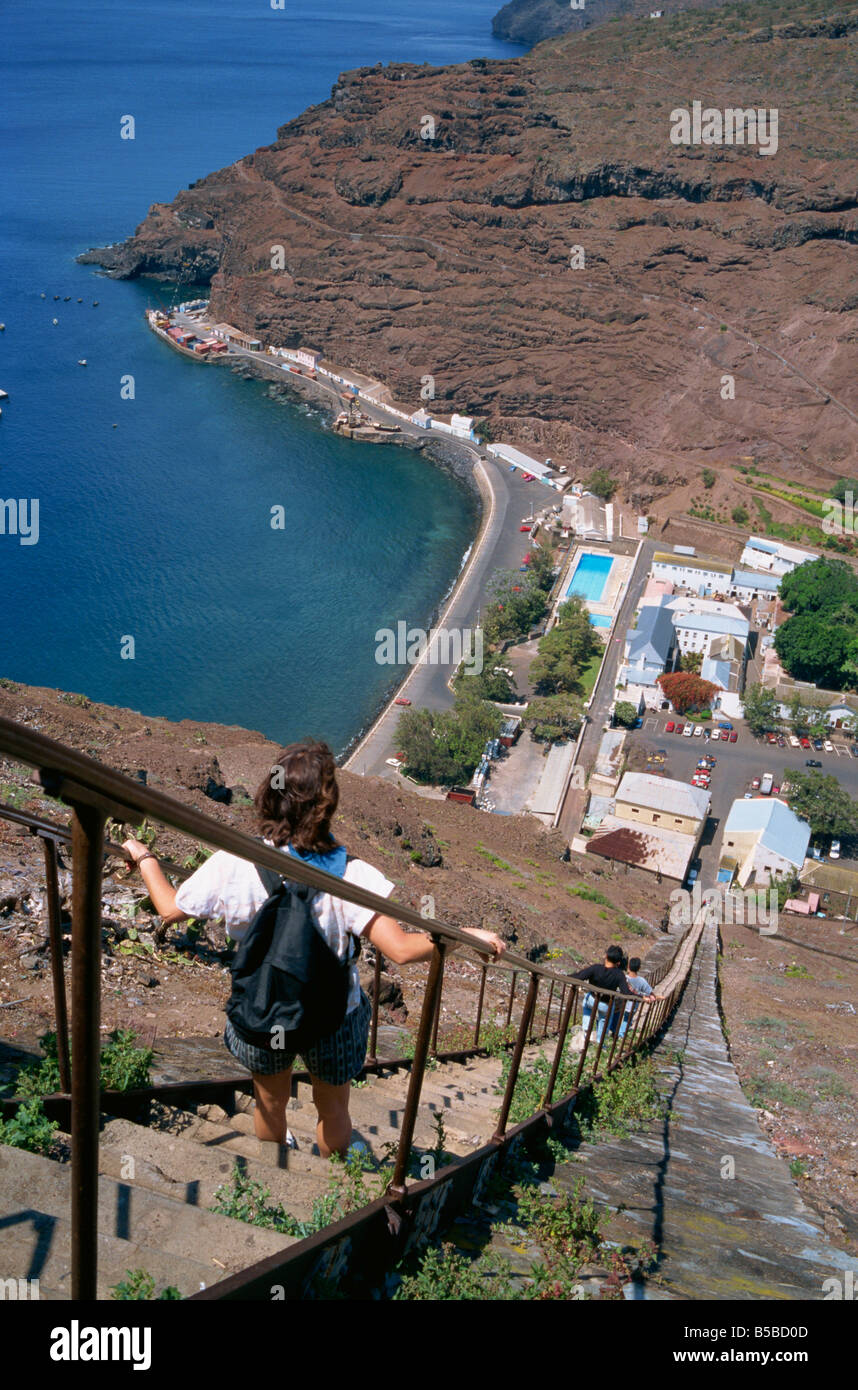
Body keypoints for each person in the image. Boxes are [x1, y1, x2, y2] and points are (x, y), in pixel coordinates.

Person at [123, 739, 506, 1159]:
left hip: (265, 1008)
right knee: (334, 1108)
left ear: (269, 796)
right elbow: (401, 950)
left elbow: (169, 907)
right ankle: (338, 1174)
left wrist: (145, 858)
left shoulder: (232, 862)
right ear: (327, 807)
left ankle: (274, 1168)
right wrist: (458, 934)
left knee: (269, 1102)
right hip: (332, 1017)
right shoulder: (352, 875)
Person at [572, 945, 632, 1043]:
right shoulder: (619, 974)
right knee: (604, 1020)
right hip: (606, 1004)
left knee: (587, 1004)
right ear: (618, 962)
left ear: (606, 956)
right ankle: (600, 1044)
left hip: (592, 999)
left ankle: (586, 1031)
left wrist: (563, 976)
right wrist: (642, 996)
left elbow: (579, 976)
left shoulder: (595, 968)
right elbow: (626, 992)